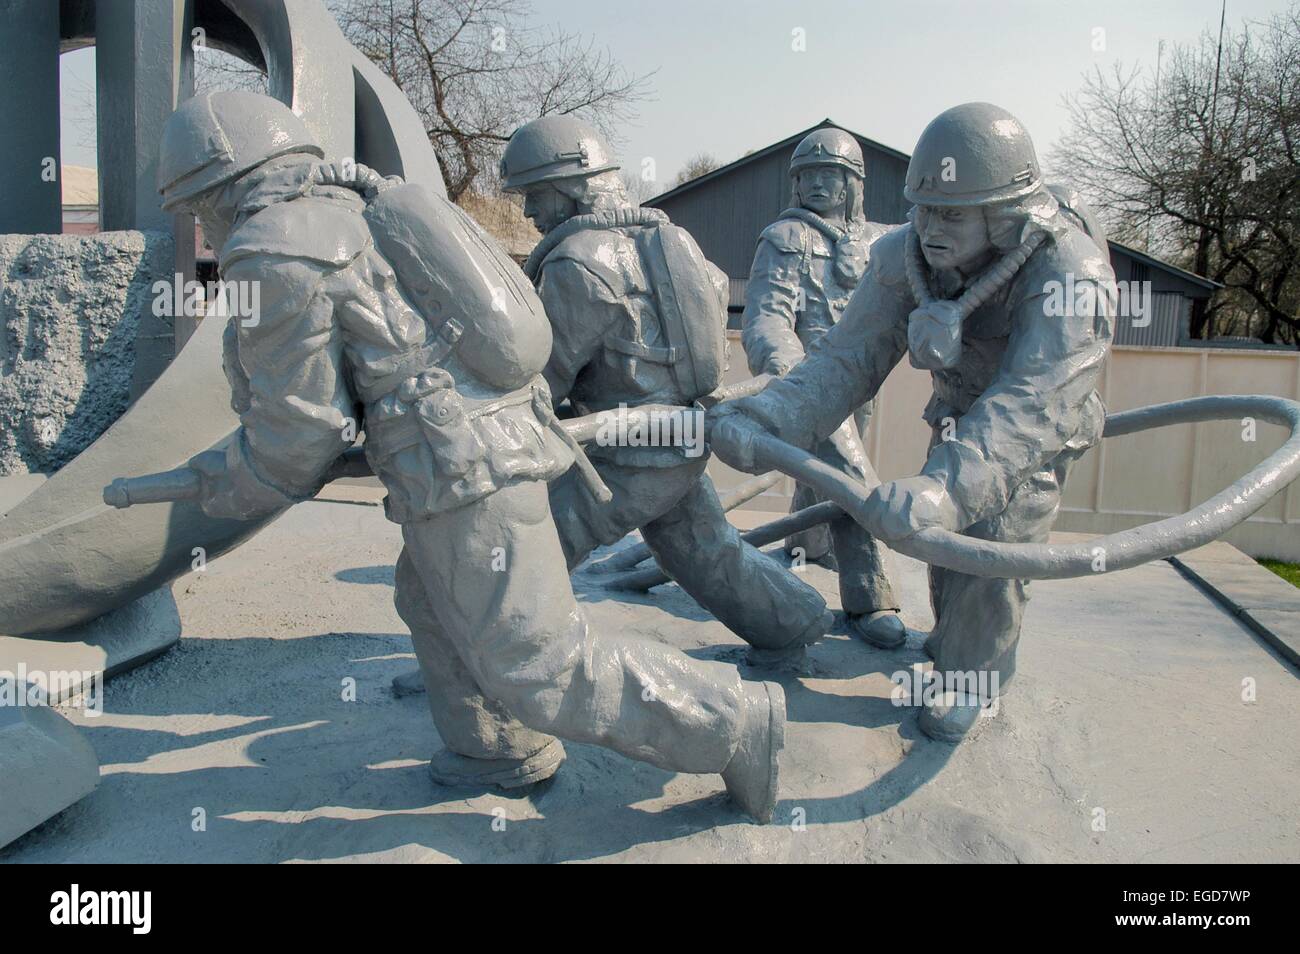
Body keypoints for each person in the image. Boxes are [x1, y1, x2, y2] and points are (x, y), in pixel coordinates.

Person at [157, 91, 785, 821]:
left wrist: (223, 480)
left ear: (227, 187)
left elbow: (296, 438)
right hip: (483, 448)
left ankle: (733, 722)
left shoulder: (277, 247)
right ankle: (495, 745)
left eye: (201, 206)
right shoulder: (359, 206)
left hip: (465, 469)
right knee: (429, 592)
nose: (204, 223)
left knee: (540, 660)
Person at [710, 103, 1115, 742]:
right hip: (960, 415)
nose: (930, 228)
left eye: (952, 213)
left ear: (1005, 213)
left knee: (996, 539)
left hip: (1035, 431)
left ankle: (974, 677)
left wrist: (944, 487)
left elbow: (1035, 399)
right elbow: (846, 359)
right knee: (948, 552)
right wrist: (771, 415)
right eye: (923, 209)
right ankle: (953, 645)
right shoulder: (904, 255)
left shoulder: (1070, 269)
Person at [500, 114, 833, 666]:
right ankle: (796, 622)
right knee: (704, 551)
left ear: (568, 188)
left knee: (531, 551)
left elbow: (543, 380)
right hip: (680, 440)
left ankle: (477, 669)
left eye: (534, 196)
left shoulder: (577, 265)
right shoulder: (669, 240)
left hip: (621, 460)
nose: (530, 213)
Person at [741, 126, 905, 649]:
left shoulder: (884, 241)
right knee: (850, 474)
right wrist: (793, 374)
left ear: (853, 181)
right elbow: (767, 317)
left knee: (823, 471)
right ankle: (872, 595)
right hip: (812, 378)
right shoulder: (786, 238)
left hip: (863, 377)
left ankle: (807, 541)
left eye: (829, 174)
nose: (816, 183)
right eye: (807, 174)